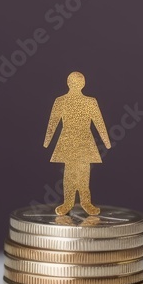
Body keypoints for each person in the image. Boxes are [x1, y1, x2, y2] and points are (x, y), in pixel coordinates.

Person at [43, 71, 111, 216]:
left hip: (84, 140)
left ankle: (85, 202)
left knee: (82, 172)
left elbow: (99, 122)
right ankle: (68, 203)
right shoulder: (61, 101)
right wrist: (47, 141)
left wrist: (106, 141)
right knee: (71, 173)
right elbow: (53, 123)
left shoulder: (90, 102)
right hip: (69, 140)